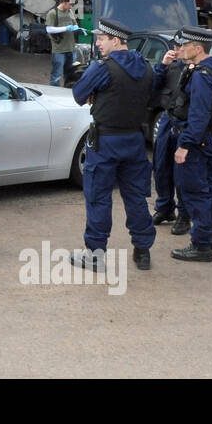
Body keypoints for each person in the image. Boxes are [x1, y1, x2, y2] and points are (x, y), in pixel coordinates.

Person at [69, 18, 156, 271]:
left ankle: (95, 255)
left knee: (98, 197)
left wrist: (96, 94)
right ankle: (143, 251)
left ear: (115, 40)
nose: (97, 43)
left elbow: (78, 95)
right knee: (136, 197)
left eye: (101, 39)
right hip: (135, 140)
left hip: (105, 141)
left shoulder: (103, 67)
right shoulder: (146, 67)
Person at [163, 26, 212, 262]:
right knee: (210, 190)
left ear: (198, 48)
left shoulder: (202, 76)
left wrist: (185, 145)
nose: (181, 48)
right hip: (208, 140)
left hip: (196, 142)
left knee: (195, 194)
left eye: (186, 45)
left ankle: (201, 244)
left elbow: (199, 115)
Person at [151, 45, 187, 230]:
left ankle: (184, 215)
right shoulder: (170, 67)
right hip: (167, 119)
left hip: (184, 123)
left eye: (182, 46)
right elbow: (152, 88)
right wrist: (162, 65)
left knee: (182, 172)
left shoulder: (195, 70)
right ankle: (165, 208)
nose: (177, 50)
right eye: (175, 46)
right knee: (161, 166)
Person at [44, 0, 81, 87]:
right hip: (59, 50)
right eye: (70, 4)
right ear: (64, 2)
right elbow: (49, 29)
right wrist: (66, 28)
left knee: (70, 73)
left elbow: (75, 25)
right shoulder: (53, 13)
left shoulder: (70, 12)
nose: (71, 6)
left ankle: (67, 91)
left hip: (71, 48)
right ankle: (55, 94)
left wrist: (78, 29)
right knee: (57, 75)